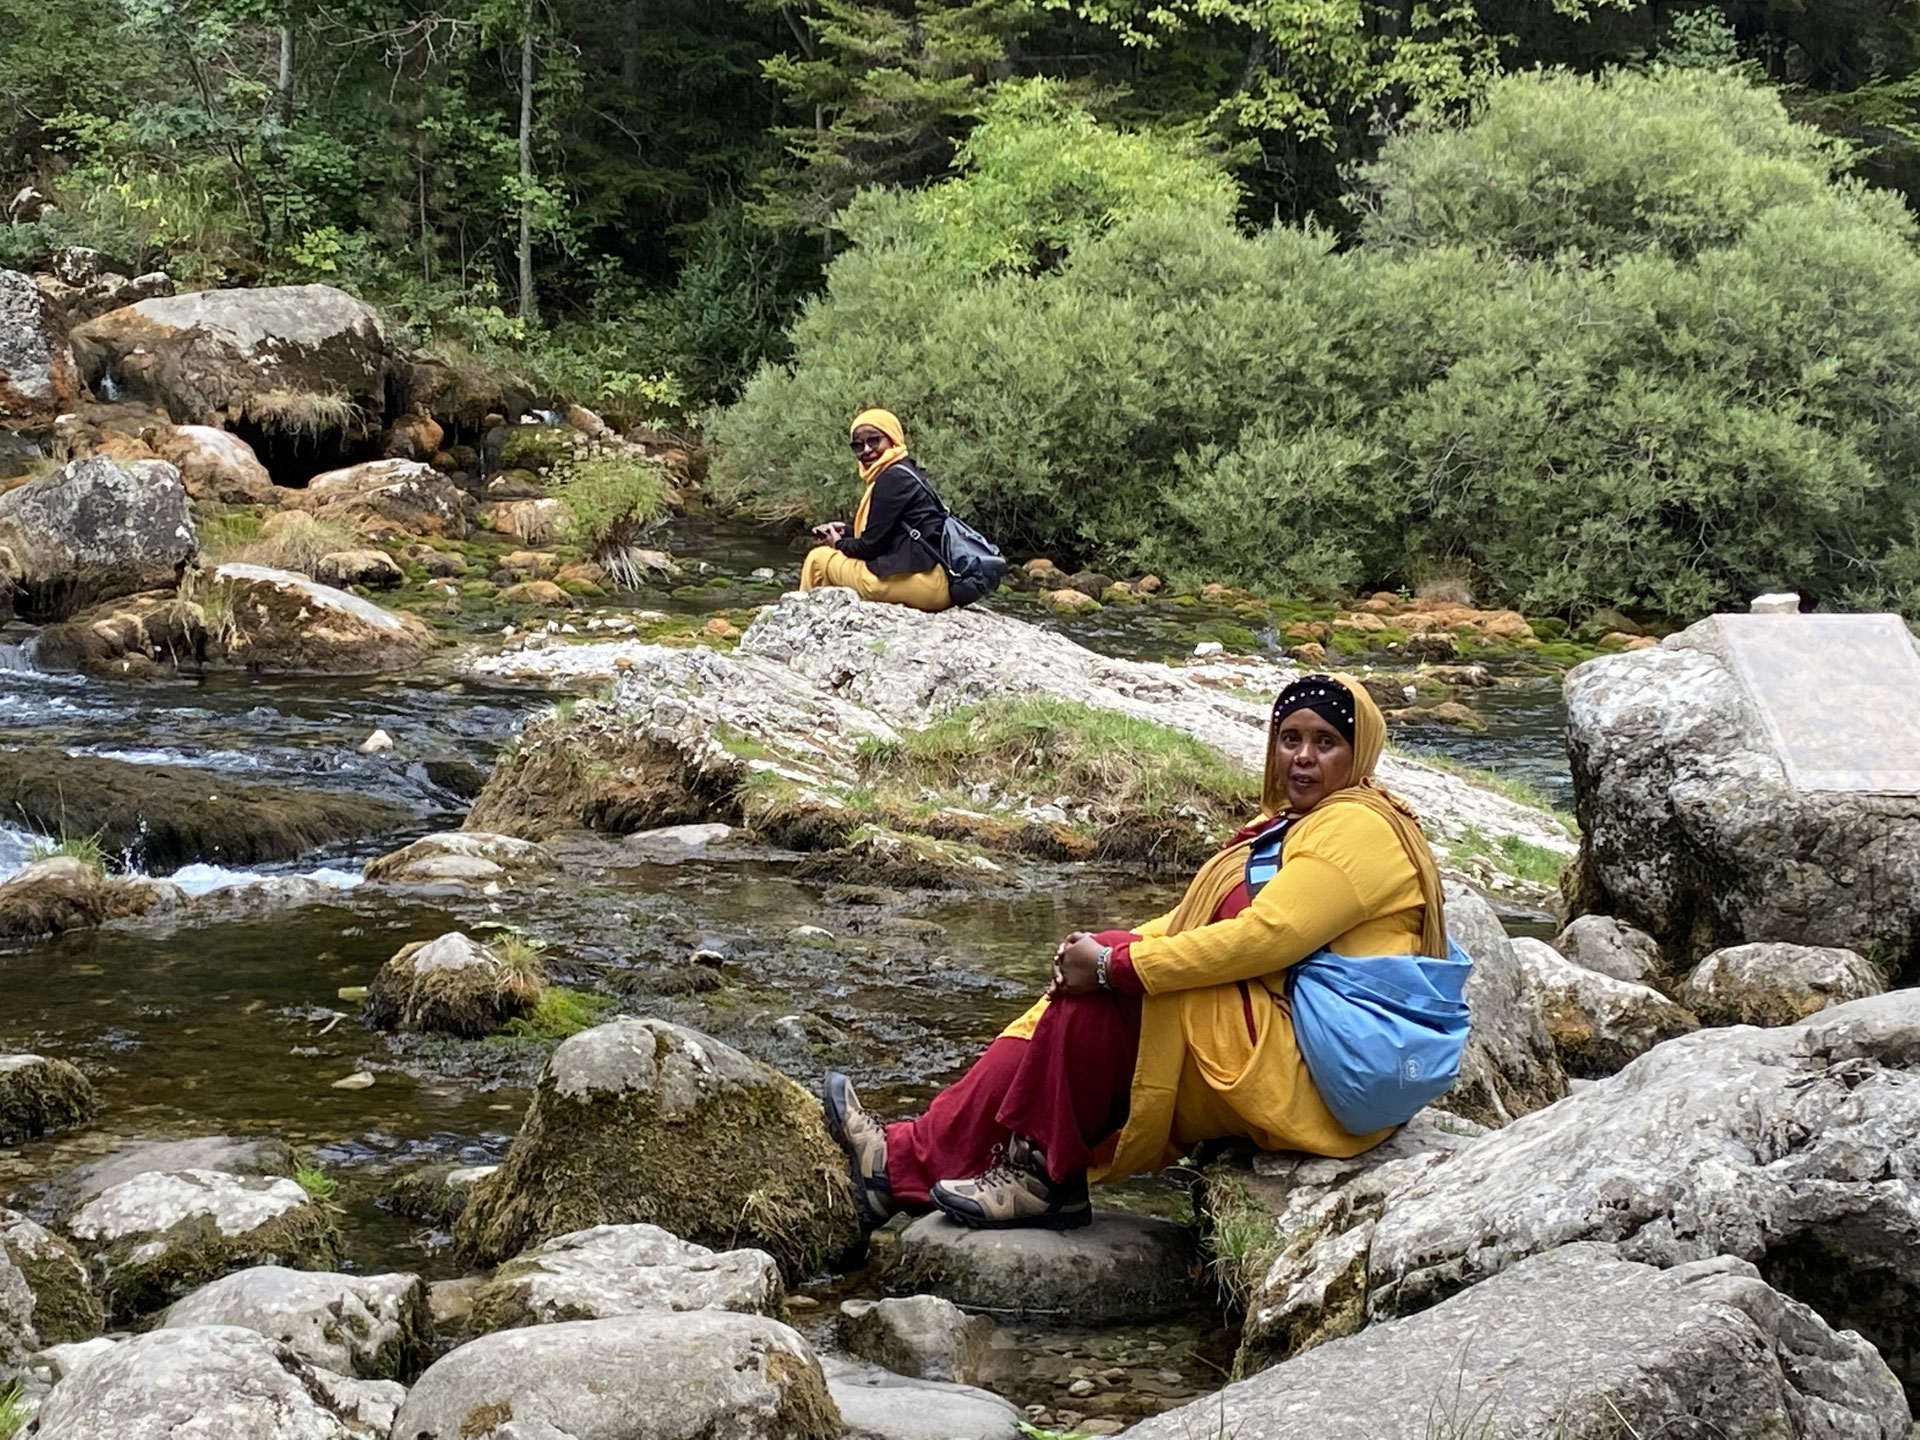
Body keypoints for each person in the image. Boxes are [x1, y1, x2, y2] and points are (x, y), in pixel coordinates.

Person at [822, 674, 1450, 1230]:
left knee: (1119, 984)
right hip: (1281, 1031)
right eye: (1290, 739)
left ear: (1358, 751)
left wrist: (1115, 964)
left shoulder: (1360, 827)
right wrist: (1088, 954)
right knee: (1078, 992)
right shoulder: (1290, 825)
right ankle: (900, 1165)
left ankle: (1045, 1179)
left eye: (1325, 742)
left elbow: (1270, 937)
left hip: (1326, 1070)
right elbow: (1187, 923)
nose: (1304, 758)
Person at [799, 408, 952, 613]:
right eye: (858, 445)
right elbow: (891, 532)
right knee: (833, 559)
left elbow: (870, 548)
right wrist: (848, 531)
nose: (867, 450)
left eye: (874, 440)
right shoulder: (908, 471)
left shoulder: (891, 479)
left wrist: (837, 542)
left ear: (892, 438)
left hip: (919, 584)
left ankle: (802, 617)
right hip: (936, 581)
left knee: (818, 559)